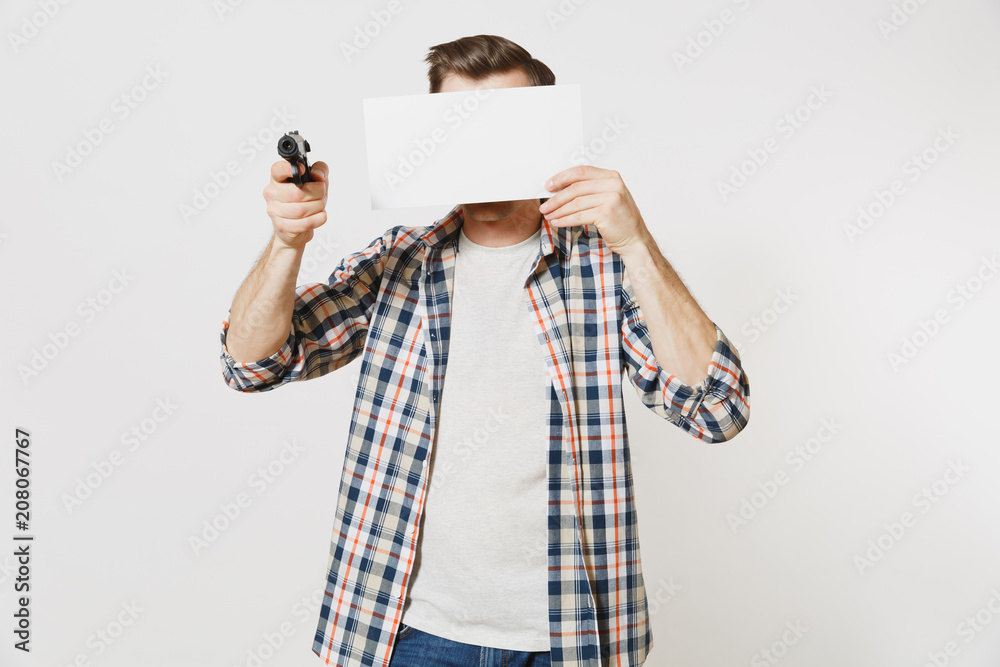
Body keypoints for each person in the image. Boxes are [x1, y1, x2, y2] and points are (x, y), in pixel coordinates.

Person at [220, 34, 750, 667]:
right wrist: (286, 242)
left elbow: (717, 411)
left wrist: (635, 243)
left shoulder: (605, 269)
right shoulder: (397, 261)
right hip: (408, 631)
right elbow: (250, 364)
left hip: (569, 638)